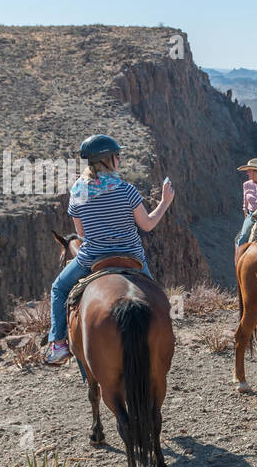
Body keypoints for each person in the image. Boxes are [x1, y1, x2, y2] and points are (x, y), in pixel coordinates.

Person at [43, 135, 175, 365]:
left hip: (92, 257)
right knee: (158, 297)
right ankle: (167, 334)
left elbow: (81, 235)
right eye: (117, 156)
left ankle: (59, 344)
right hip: (132, 256)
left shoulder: (78, 192)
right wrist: (165, 202)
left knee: (59, 288)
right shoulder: (126, 190)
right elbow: (147, 225)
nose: (120, 159)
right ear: (107, 160)